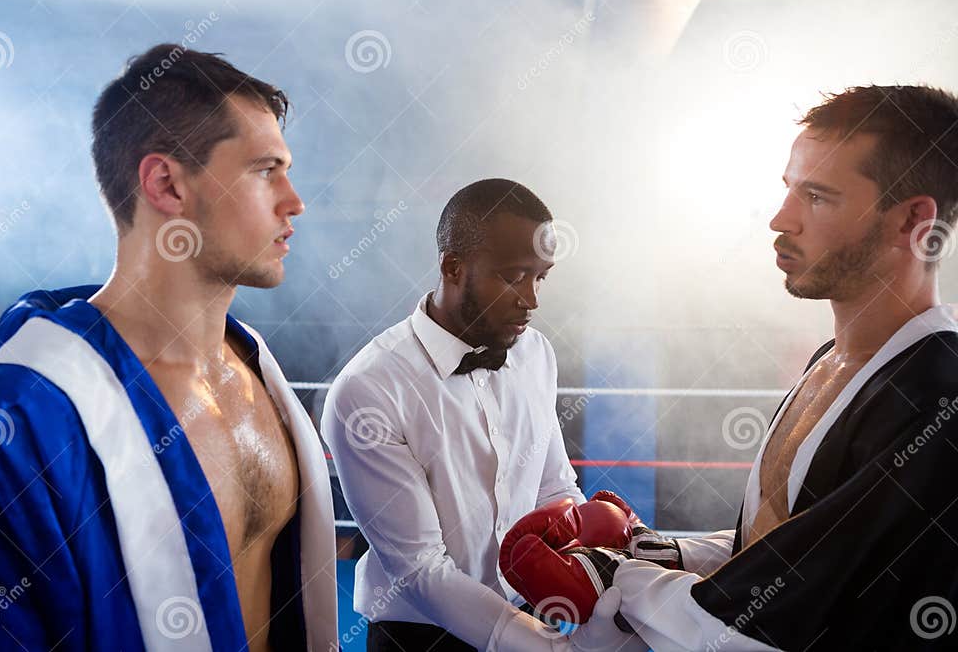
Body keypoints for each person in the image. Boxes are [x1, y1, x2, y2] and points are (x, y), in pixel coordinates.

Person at [499, 84, 958, 650]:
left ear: (912, 220)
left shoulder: (937, 395)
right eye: (789, 189)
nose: (780, 219)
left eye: (817, 198)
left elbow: (800, 605)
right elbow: (776, 548)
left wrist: (619, 578)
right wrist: (661, 552)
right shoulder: (833, 362)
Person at [0, 44, 338, 651]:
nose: (295, 200)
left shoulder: (254, 371)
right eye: (265, 169)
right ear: (165, 183)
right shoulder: (18, 418)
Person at [322, 179, 641, 651]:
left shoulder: (534, 353)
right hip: (421, 635)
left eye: (541, 277)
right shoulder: (369, 388)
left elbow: (554, 487)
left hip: (530, 615)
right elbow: (418, 568)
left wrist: (615, 576)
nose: (531, 300)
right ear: (454, 268)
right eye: (513, 276)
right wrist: (546, 646)